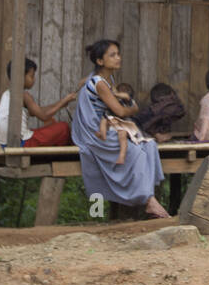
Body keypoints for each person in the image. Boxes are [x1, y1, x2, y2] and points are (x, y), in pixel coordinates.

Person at [72, 39, 168, 219]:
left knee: (149, 146)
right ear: (100, 61)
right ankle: (148, 201)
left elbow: (107, 100)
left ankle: (149, 198)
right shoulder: (100, 83)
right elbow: (120, 110)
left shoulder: (107, 80)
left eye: (118, 54)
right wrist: (133, 107)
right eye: (112, 55)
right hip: (95, 132)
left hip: (109, 124)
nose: (118, 58)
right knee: (135, 152)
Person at [0, 58, 79, 148]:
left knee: (51, 124)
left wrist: (62, 103)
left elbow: (37, 111)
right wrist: (64, 101)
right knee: (64, 128)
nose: (34, 79)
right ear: (20, 76)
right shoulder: (24, 95)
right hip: (20, 143)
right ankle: (68, 156)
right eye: (31, 76)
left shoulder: (7, 93)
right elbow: (44, 116)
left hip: (5, 144)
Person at [98, 83, 145, 164]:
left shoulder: (128, 102)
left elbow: (126, 96)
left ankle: (122, 156)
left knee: (122, 134)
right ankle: (103, 134)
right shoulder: (111, 103)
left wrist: (114, 94)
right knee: (104, 120)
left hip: (125, 126)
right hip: (114, 123)